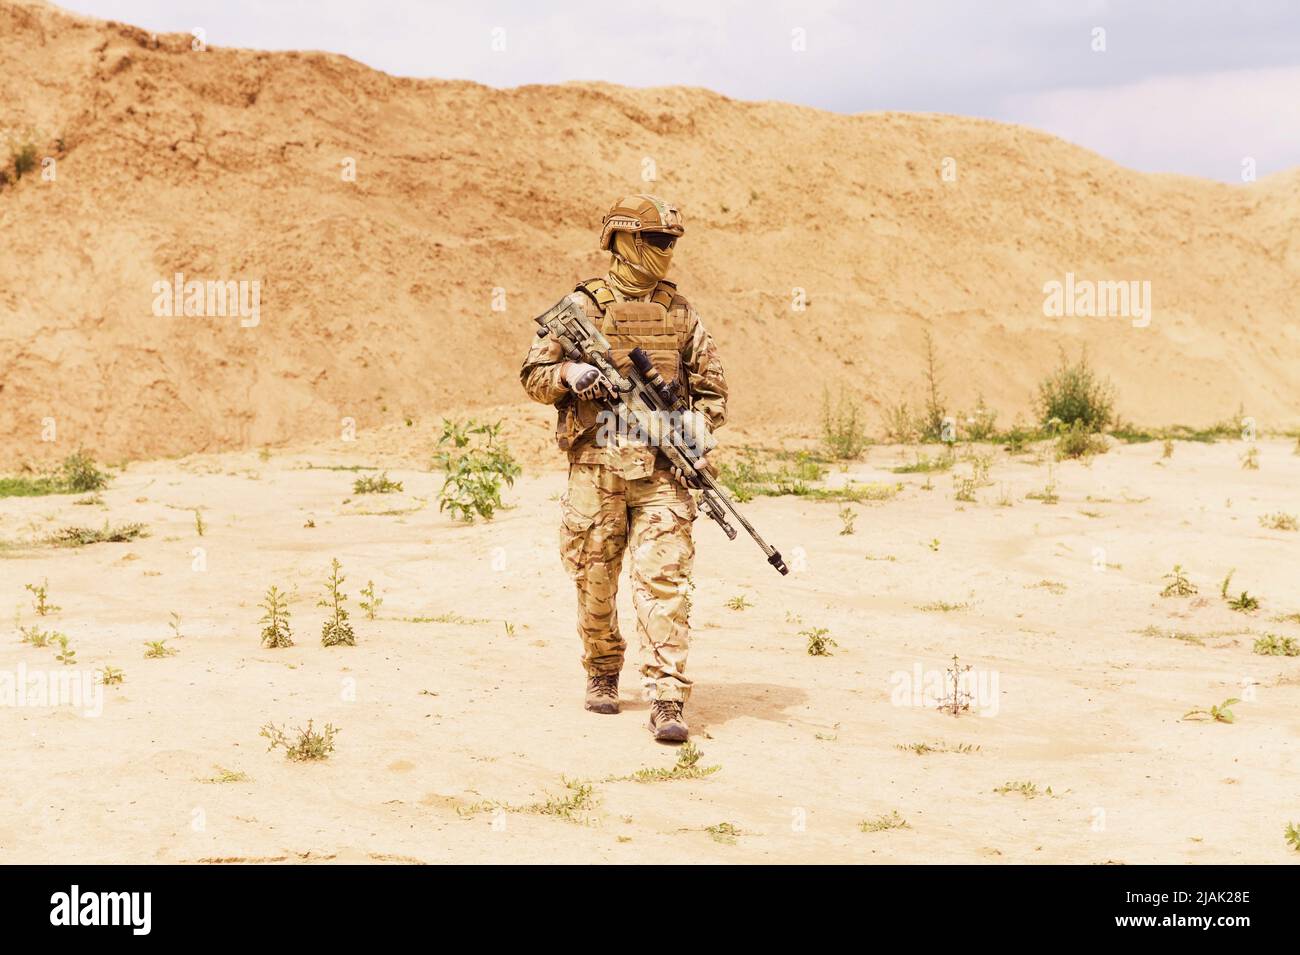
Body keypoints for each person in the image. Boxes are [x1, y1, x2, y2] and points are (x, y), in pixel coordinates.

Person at [519, 194, 728, 741]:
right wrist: (569, 375)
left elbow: (712, 391)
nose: (666, 251)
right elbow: (533, 376)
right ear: (624, 240)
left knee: (665, 581)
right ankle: (604, 671)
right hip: (596, 468)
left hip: (662, 470)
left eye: (671, 242)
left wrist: (695, 435)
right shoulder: (581, 308)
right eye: (657, 240)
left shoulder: (680, 313)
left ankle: (666, 695)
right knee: (594, 578)